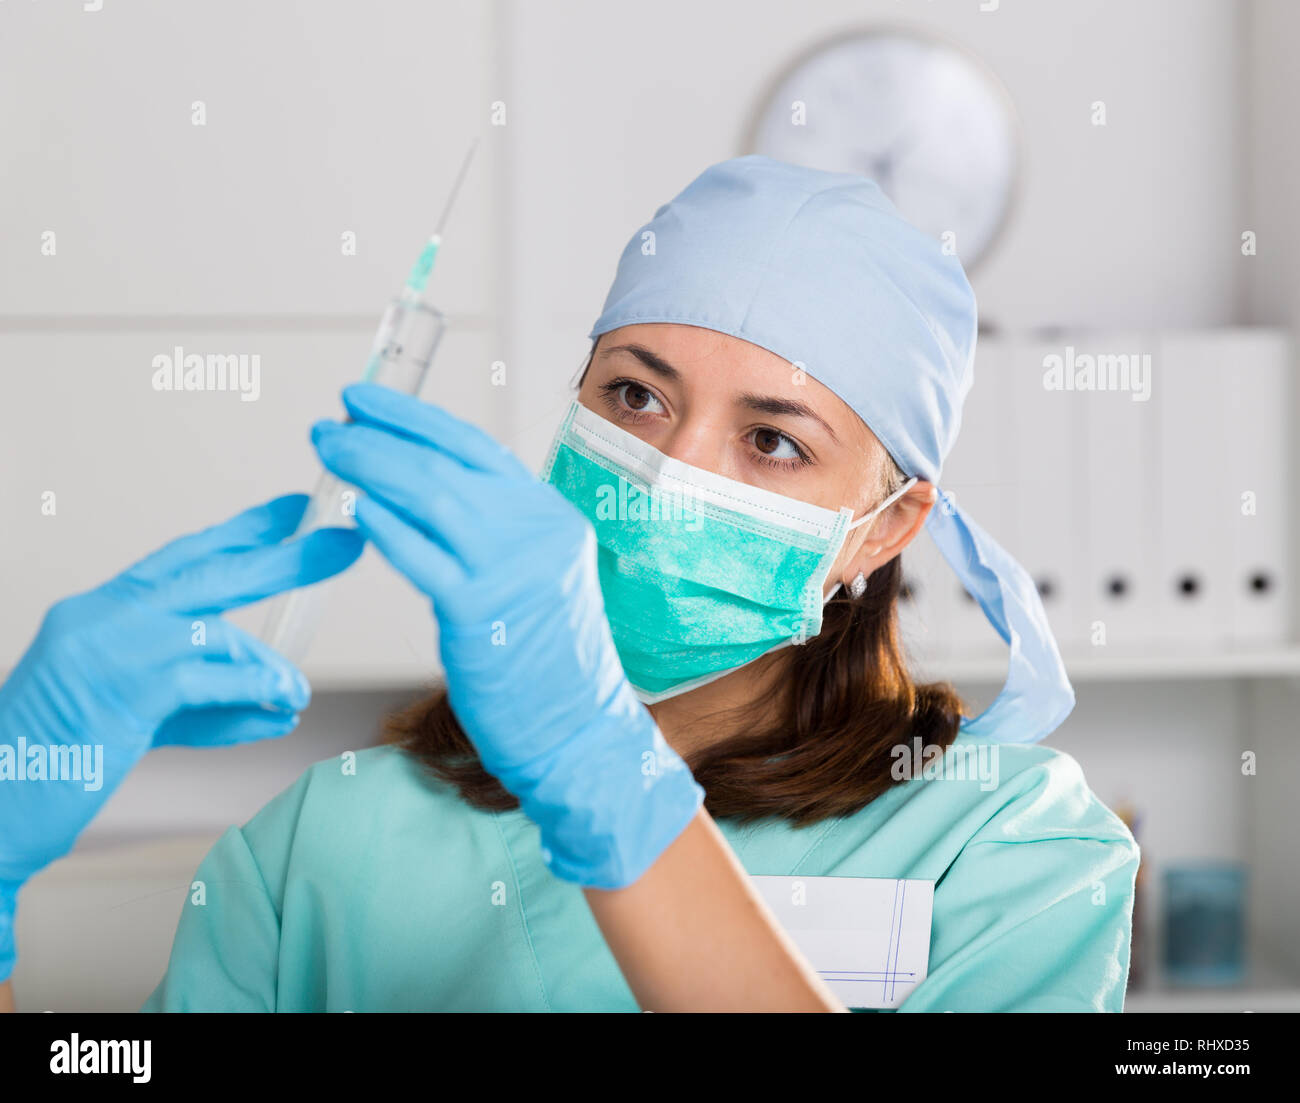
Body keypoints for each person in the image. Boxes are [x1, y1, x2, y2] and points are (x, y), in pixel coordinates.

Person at [1, 156, 1138, 1014]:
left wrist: (601, 766)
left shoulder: (1014, 849)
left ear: (881, 530)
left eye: (773, 440)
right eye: (636, 396)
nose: (667, 472)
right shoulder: (325, 838)